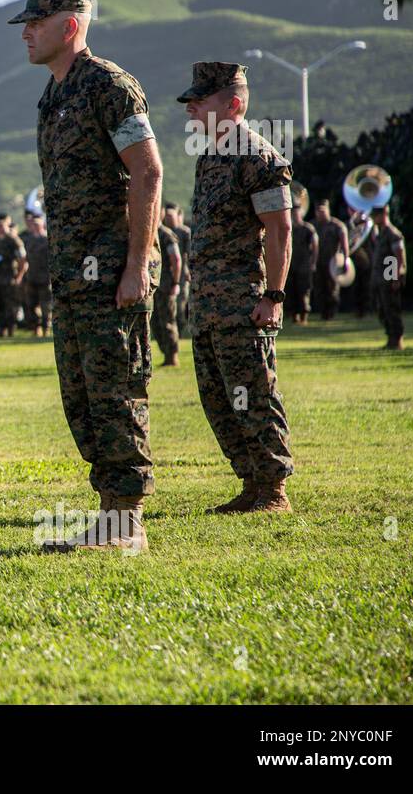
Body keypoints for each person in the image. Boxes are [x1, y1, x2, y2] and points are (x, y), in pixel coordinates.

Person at [10, 0, 163, 552]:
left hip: (112, 272)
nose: (26, 32)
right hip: (73, 274)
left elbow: (147, 173)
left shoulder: (109, 87)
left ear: (68, 27)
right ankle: (110, 515)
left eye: (35, 23)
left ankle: (127, 523)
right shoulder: (54, 95)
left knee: (117, 389)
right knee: (82, 396)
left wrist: (137, 263)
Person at [179, 61, 295, 515]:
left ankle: (273, 489)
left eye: (199, 100)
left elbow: (281, 229)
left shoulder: (259, 158)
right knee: (219, 398)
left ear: (233, 104)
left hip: (243, 302)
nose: (190, 108)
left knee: (254, 394)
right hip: (208, 304)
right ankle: (250, 483)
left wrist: (274, 295)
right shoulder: (211, 155)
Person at [370, 204, 406, 350]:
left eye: (375, 216)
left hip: (389, 278)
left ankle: (396, 340)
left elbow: (398, 257)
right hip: (381, 278)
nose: (374, 219)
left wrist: (395, 278)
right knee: (382, 309)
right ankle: (391, 338)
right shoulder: (381, 233)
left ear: (383, 214)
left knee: (391, 309)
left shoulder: (393, 234)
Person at [312, 200, 349, 320]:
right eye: (318, 211)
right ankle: (323, 313)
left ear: (328, 210)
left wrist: (345, 260)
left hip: (333, 263)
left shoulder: (338, 226)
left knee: (332, 290)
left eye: (323, 210)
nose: (320, 213)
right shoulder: (313, 226)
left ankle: (332, 313)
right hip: (318, 263)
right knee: (319, 289)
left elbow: (344, 245)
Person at [0, 212, 27, 336]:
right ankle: (1, 329)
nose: (0, 228)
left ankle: (11, 329)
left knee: (10, 305)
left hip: (9, 278)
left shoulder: (13, 240)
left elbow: (22, 259)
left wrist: (19, 276)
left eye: (2, 225)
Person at [152, 222, 182, 366]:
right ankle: (166, 354)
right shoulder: (149, 231)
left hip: (165, 286)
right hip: (153, 286)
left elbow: (176, 259)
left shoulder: (166, 234)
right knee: (156, 322)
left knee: (168, 322)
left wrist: (176, 283)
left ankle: (172, 357)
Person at [285, 199, 318, 324]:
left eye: (296, 212)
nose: (294, 214)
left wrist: (313, 262)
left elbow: (315, 247)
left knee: (304, 290)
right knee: (291, 290)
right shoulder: (288, 229)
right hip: (291, 264)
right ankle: (294, 315)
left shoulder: (308, 229)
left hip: (304, 265)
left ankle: (304, 315)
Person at [21, 211, 52, 336]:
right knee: (31, 304)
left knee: (46, 305)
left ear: (42, 224)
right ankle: (36, 328)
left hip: (45, 278)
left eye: (37, 223)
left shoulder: (47, 240)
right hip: (31, 277)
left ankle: (46, 328)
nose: (35, 225)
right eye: (33, 224)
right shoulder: (28, 241)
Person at [165, 204, 192, 336]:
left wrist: (188, 271)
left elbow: (190, 254)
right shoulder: (164, 232)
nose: (168, 219)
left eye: (171, 216)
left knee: (181, 305)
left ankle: (180, 333)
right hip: (166, 275)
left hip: (182, 274)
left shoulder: (184, 232)